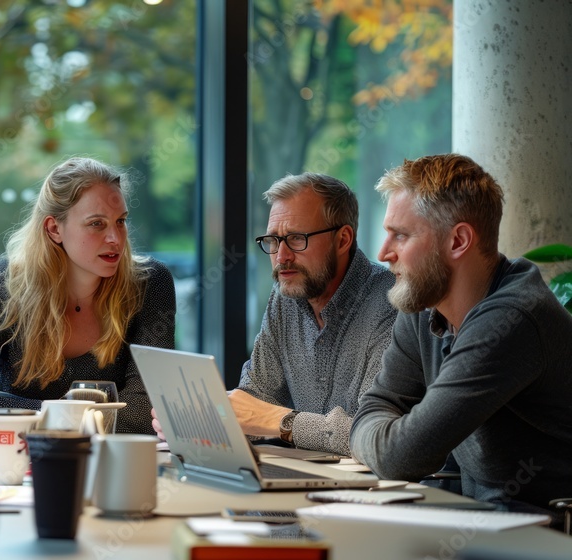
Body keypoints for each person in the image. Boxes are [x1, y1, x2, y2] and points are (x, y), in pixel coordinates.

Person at [350, 154, 572, 518]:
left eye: (401, 235)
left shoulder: (513, 319)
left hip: (540, 537)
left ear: (458, 241)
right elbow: (374, 408)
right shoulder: (425, 303)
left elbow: (401, 456)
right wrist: (379, 434)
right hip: (475, 522)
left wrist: (377, 438)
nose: (383, 253)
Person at [153, 173, 396, 455]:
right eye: (273, 240)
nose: (281, 257)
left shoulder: (393, 304)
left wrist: (278, 421)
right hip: (303, 480)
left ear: (342, 240)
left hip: (375, 492)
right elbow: (256, 398)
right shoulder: (286, 296)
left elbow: (372, 436)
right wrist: (206, 421)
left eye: (295, 239)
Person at [0, 157, 176, 435]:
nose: (115, 238)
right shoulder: (11, 283)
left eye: (120, 221)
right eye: (97, 224)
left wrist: (34, 414)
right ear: (54, 229)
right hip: (22, 462)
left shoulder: (149, 283)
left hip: (111, 462)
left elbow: (148, 411)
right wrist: (68, 415)